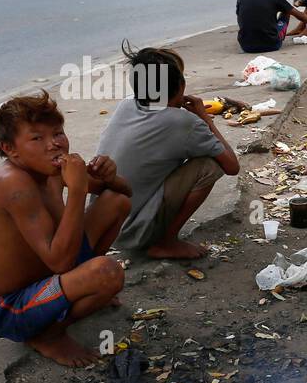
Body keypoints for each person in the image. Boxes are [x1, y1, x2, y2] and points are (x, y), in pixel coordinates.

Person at [0, 93, 132, 367]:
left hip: (49, 274)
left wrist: (110, 176)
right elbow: (60, 261)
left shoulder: (52, 170)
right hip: (11, 307)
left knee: (115, 202)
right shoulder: (12, 183)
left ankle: (80, 291)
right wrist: (77, 190)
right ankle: (47, 336)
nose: (53, 144)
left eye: (58, 133)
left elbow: (124, 193)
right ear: (10, 149)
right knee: (107, 272)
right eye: (37, 138)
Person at [96, 43, 240, 260]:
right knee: (210, 166)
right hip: (133, 232)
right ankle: (166, 242)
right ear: (181, 86)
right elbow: (231, 166)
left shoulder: (126, 105)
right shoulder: (185, 123)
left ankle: (160, 235)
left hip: (105, 226)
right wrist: (205, 119)